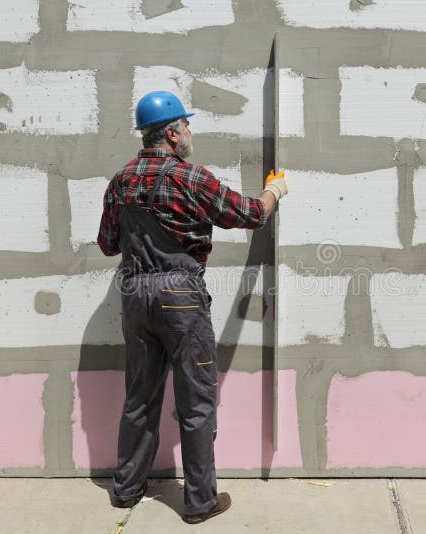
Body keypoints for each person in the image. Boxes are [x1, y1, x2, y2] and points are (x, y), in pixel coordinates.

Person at [97, 90, 288, 524]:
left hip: (135, 295)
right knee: (196, 401)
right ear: (170, 132)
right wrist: (275, 190)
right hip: (181, 295)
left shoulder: (120, 181)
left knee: (140, 397)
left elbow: (108, 245)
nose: (189, 132)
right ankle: (200, 501)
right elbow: (251, 213)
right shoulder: (192, 178)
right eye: (185, 125)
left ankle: (126, 489)